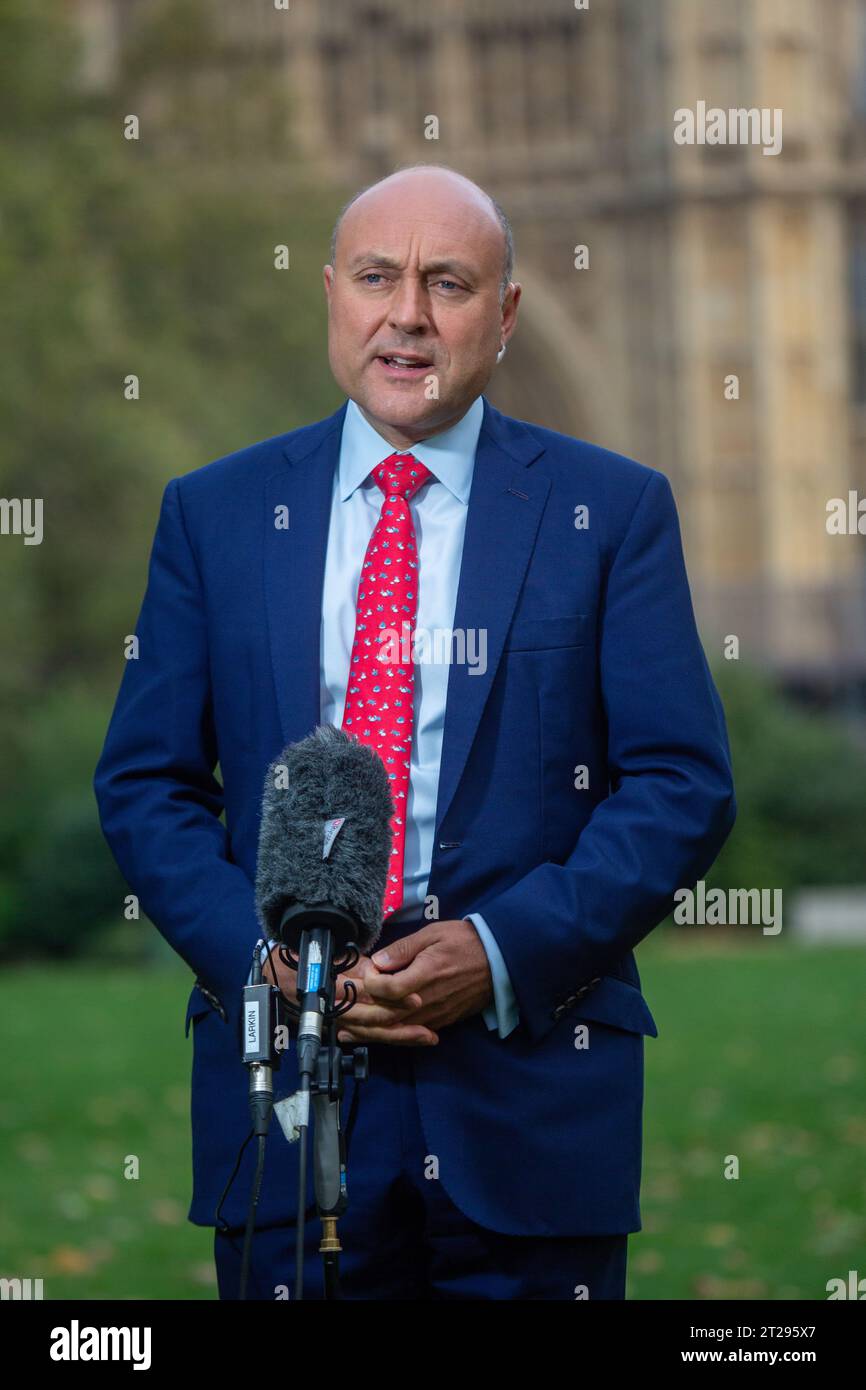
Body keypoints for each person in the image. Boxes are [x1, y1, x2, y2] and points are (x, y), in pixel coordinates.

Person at [94, 162, 736, 1301]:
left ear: (504, 313)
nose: (407, 314)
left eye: (447, 282)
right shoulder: (217, 513)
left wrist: (494, 953)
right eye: (378, 278)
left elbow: (680, 783)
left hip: (531, 1100)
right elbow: (147, 783)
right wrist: (268, 965)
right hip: (283, 1098)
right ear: (332, 295)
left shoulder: (609, 509)